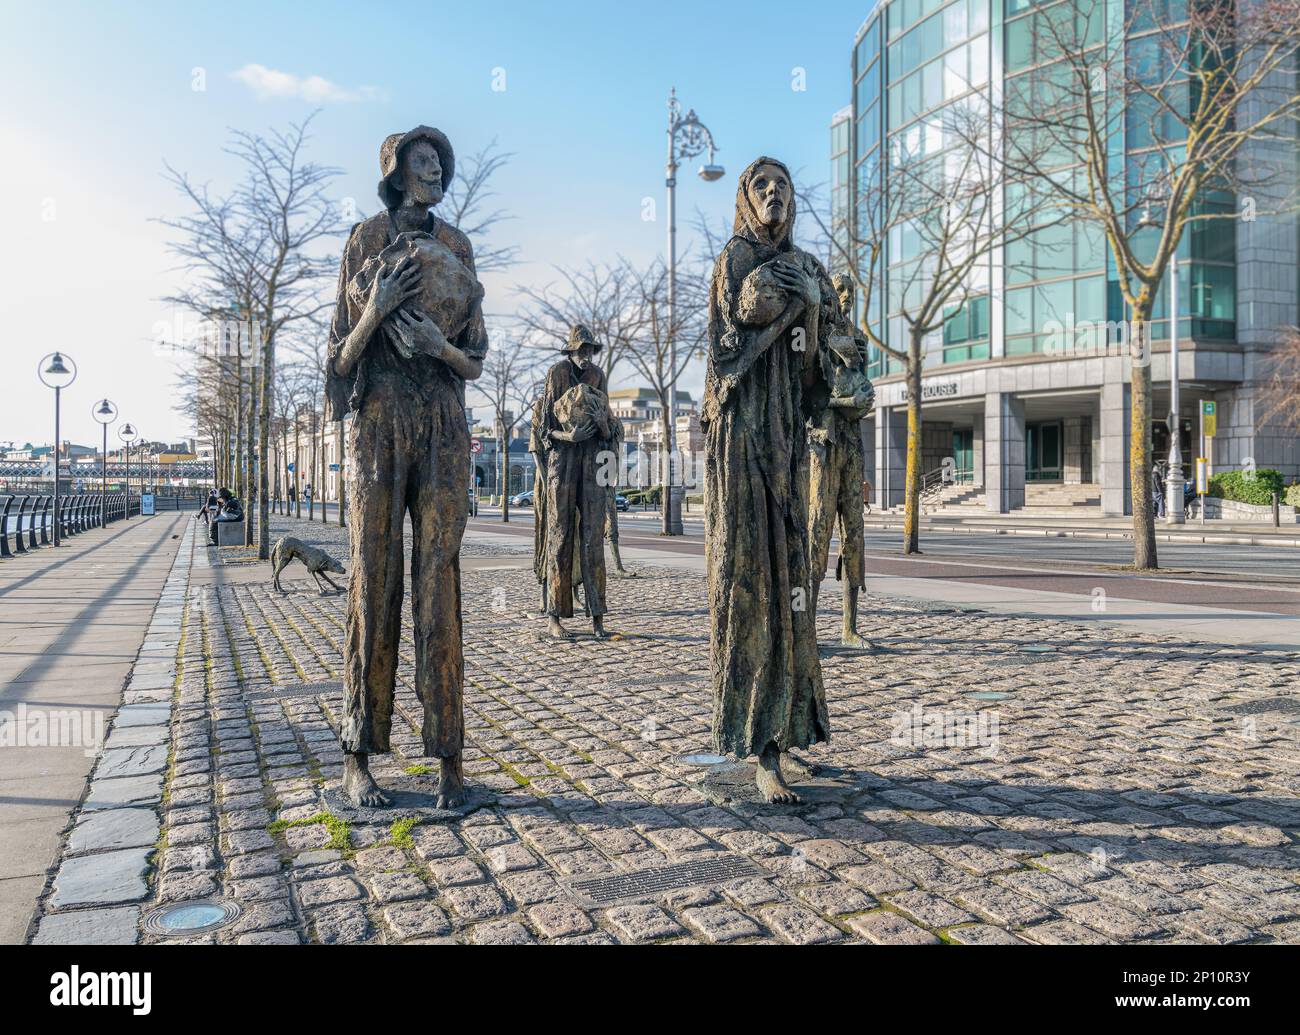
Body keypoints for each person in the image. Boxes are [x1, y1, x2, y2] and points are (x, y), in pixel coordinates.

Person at [325, 125, 487, 810]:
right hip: (378, 423)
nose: (435, 171)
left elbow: (476, 358)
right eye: (423, 163)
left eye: (440, 163)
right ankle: (358, 755)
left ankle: (449, 755)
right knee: (373, 577)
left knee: (438, 582)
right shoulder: (364, 241)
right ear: (396, 171)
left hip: (442, 423)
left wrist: (437, 347)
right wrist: (378, 313)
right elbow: (336, 360)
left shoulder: (458, 248)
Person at [703, 156, 833, 805]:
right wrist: (781, 306)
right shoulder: (733, 258)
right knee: (748, 586)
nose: (774, 192)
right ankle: (756, 746)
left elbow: (815, 374)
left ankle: (784, 733)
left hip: (785, 440)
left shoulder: (808, 268)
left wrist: (809, 311)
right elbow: (726, 351)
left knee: (793, 592)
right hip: (741, 439)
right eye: (762, 185)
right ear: (747, 199)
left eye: (783, 184)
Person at [537, 324, 614, 640]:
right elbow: (544, 430)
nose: (586, 355)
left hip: (592, 462)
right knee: (560, 535)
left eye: (590, 350)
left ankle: (597, 617)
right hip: (563, 463)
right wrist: (566, 435)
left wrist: (601, 425)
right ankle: (554, 616)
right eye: (581, 349)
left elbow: (610, 431)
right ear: (570, 351)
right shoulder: (556, 373)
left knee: (593, 538)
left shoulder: (598, 376)